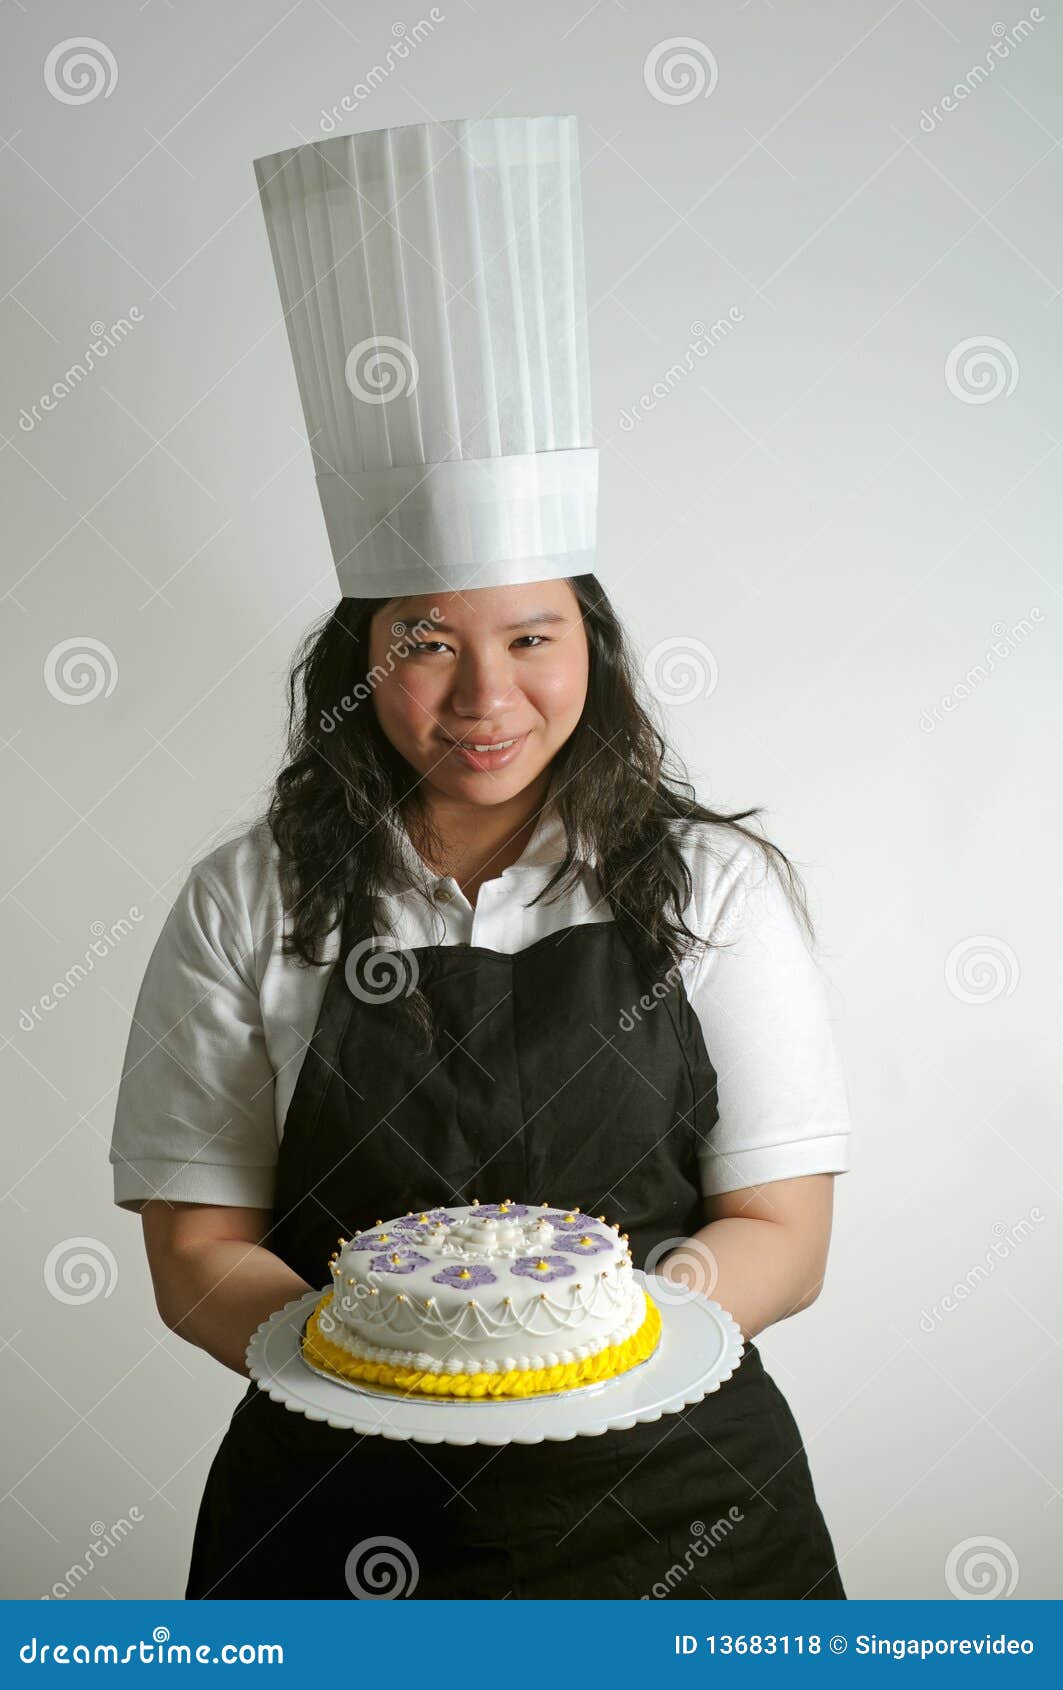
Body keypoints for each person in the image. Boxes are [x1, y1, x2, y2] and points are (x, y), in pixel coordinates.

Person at [108, 116, 852, 1600]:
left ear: (595, 648)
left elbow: (782, 1233)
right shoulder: (247, 898)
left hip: (688, 1517)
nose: (483, 698)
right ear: (359, 657)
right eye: (425, 642)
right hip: (330, 1513)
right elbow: (199, 1248)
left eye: (531, 638)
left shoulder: (716, 888)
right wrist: (399, 1355)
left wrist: (585, 1343)